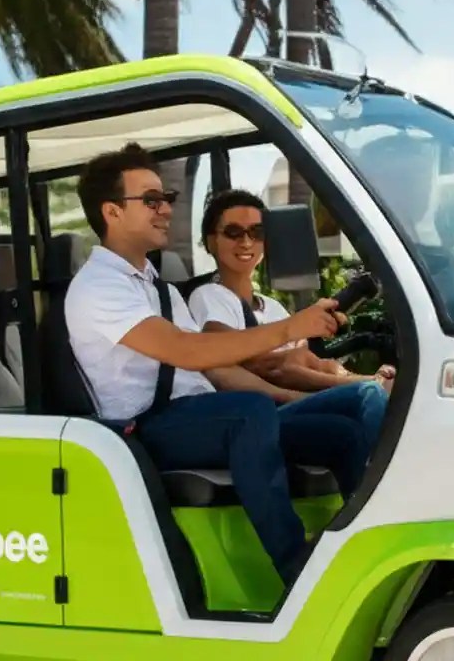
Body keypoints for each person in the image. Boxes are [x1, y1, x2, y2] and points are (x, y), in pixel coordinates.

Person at [63, 142, 371, 585]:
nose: (165, 209)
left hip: (200, 417)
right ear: (111, 212)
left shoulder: (160, 290)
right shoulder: (98, 288)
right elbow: (188, 352)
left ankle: (366, 545)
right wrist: (290, 329)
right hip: (143, 431)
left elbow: (214, 366)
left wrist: (296, 391)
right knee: (249, 413)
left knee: (340, 429)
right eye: (151, 200)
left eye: (165, 199)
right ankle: (298, 568)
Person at [187, 188, 393, 444]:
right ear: (211, 242)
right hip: (257, 414)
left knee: (353, 423)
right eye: (233, 232)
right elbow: (260, 363)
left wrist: (348, 375)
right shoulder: (208, 296)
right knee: (369, 396)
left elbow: (310, 363)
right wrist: (365, 382)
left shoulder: (274, 308)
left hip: (294, 403)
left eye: (256, 232)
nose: (246, 242)